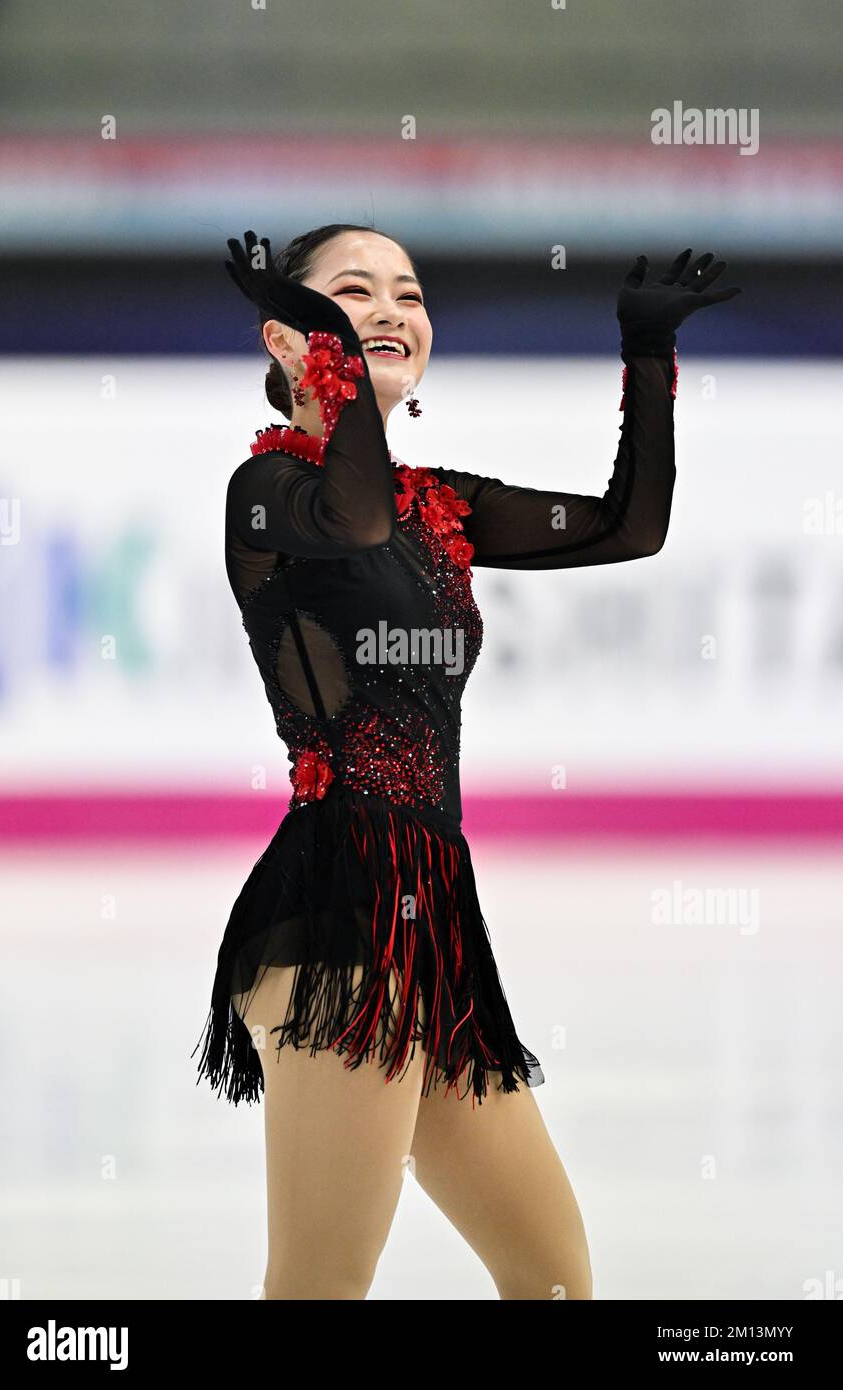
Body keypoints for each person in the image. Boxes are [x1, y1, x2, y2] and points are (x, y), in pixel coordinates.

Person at [192, 225, 740, 1300]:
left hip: (434, 922)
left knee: (550, 1281)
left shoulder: (438, 504)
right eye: (353, 293)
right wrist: (326, 343)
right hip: (335, 914)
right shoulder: (263, 492)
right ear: (289, 335)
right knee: (317, 1289)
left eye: (408, 292)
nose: (391, 308)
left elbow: (628, 530)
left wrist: (644, 358)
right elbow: (346, 514)